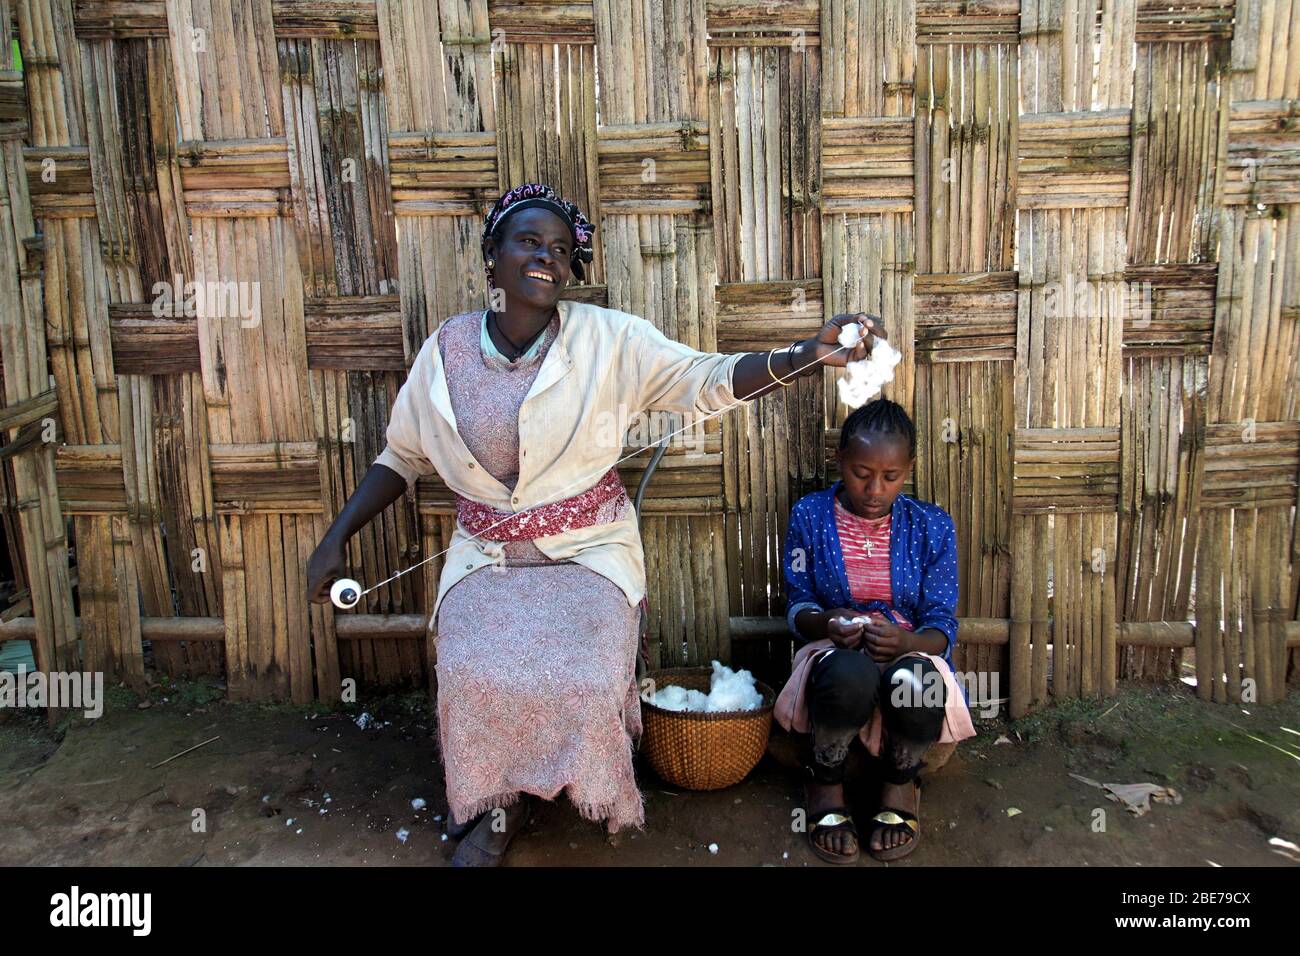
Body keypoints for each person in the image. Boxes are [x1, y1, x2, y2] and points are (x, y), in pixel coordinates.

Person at [306, 181, 882, 865]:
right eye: (528, 241)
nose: (546, 257)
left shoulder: (612, 342)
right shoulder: (446, 351)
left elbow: (706, 377)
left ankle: (573, 784)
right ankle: (494, 805)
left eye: (559, 249)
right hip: (486, 559)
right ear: (491, 256)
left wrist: (801, 355)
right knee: (472, 670)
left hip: (589, 552)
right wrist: (334, 538)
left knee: (581, 675)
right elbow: (400, 456)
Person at [775, 398, 976, 864]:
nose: (874, 489)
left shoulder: (931, 526)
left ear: (909, 469)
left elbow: (942, 626)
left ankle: (900, 787)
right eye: (861, 472)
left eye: (891, 477)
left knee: (918, 681)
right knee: (850, 675)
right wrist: (829, 623)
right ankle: (826, 785)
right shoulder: (810, 515)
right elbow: (798, 604)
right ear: (840, 462)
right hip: (834, 651)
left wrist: (906, 643)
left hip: (909, 651)